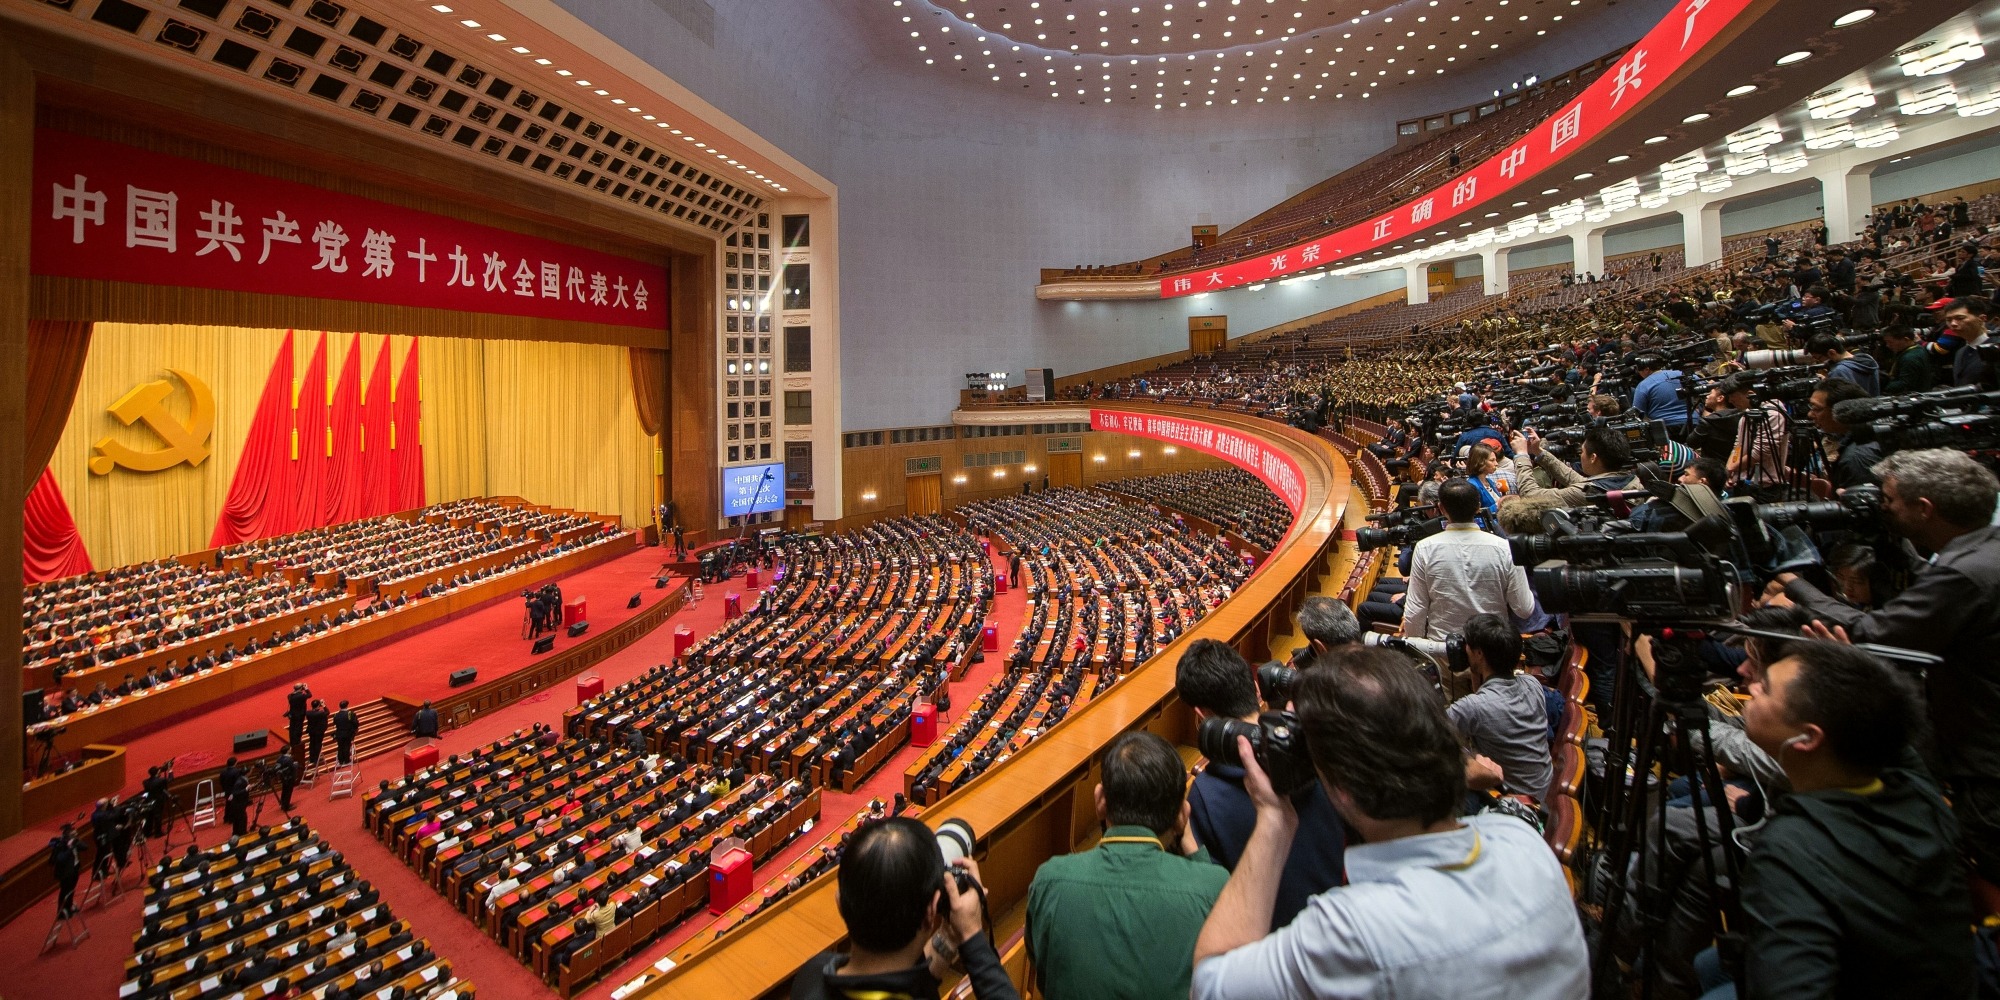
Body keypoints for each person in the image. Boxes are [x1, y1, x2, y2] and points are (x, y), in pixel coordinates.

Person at [1191, 648, 1588, 998]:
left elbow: (1210, 985)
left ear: (1343, 788)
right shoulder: (1521, 840)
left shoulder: (1353, 933)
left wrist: (1275, 819)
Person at [1771, 448, 2000, 874]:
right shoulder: (1983, 551)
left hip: (1986, 757)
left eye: (1890, 501)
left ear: (1925, 508)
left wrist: (1795, 584)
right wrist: (1894, 549)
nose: (1882, 509)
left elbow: (1874, 633)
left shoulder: (1964, 574)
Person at [1712, 641, 1974, 999]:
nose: (1751, 686)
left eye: (1766, 687)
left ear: (1808, 738)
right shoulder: (1915, 791)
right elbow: (1892, 733)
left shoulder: (1792, 850)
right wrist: (1852, 670)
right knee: (1708, 965)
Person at [1026, 731, 1228, 1000]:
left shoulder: (1049, 881)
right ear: (1183, 815)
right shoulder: (1214, 887)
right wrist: (1192, 849)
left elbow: (1045, 976)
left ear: (1100, 801)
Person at [1177, 639, 1345, 929]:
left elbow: (1209, 902)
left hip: (1264, 951)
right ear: (1257, 690)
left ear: (1200, 718)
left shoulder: (1206, 795)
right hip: (1343, 926)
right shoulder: (1321, 750)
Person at [789, 816, 1018, 1000]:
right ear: (932, 912)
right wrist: (971, 935)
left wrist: (948, 940)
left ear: (840, 903)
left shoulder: (810, 976)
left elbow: (898, 983)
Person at [1400, 479, 1534, 641]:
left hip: (1443, 650)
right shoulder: (1505, 548)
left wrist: (1419, 648)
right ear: (1478, 507)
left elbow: (1415, 611)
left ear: (1441, 508)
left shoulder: (1424, 548)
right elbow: (1524, 609)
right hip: (1492, 650)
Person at [1446, 614, 1553, 798]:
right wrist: (1475, 674)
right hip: (1545, 793)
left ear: (1479, 654)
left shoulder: (1473, 707)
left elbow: (1428, 735)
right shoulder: (1533, 683)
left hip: (1513, 800)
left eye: (1469, 646)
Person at [1804, 379, 1883, 491]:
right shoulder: (1867, 436)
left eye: (1816, 409)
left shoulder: (1856, 459)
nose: (1810, 414)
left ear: (1841, 411)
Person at [1805, 333, 1880, 396]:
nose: (1819, 361)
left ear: (1832, 352)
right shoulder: (1866, 360)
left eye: (1819, 358)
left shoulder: (1839, 371)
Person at [1630, 353, 1694, 427]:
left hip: (1665, 427)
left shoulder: (1643, 385)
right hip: (1694, 422)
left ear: (1647, 369)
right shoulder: (1682, 374)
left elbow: (1637, 412)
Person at [1941, 295, 1992, 387]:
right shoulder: (1960, 352)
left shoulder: (1995, 348)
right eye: (1949, 320)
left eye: (1960, 318)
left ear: (1982, 319)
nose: (1953, 324)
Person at [1879, 325, 1935, 394]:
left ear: (1906, 340)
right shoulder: (1916, 348)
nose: (1888, 345)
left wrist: (1881, 386)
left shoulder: (1910, 358)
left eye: (1890, 342)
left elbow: (1905, 384)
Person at [50, 824, 82, 917]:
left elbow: (85, 847)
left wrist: (76, 840)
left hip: (74, 869)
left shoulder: (73, 841)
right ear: (68, 833)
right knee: (64, 891)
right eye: (72, 831)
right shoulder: (61, 844)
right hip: (64, 873)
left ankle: (69, 908)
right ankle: (61, 912)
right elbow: (60, 858)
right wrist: (70, 848)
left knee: (71, 890)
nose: (75, 832)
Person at [333, 700, 360, 766]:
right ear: (347, 706)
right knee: (346, 746)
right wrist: (355, 729)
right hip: (348, 733)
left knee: (340, 746)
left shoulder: (336, 715)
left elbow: (335, 723)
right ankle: (346, 759)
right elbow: (355, 723)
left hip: (339, 733)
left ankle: (341, 760)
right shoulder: (350, 713)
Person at [286, 682, 311, 751]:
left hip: (292, 714)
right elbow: (309, 695)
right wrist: (306, 689)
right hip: (300, 714)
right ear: (301, 688)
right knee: (298, 728)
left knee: (292, 727)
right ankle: (297, 742)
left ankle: (292, 741)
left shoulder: (290, 696)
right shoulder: (301, 696)